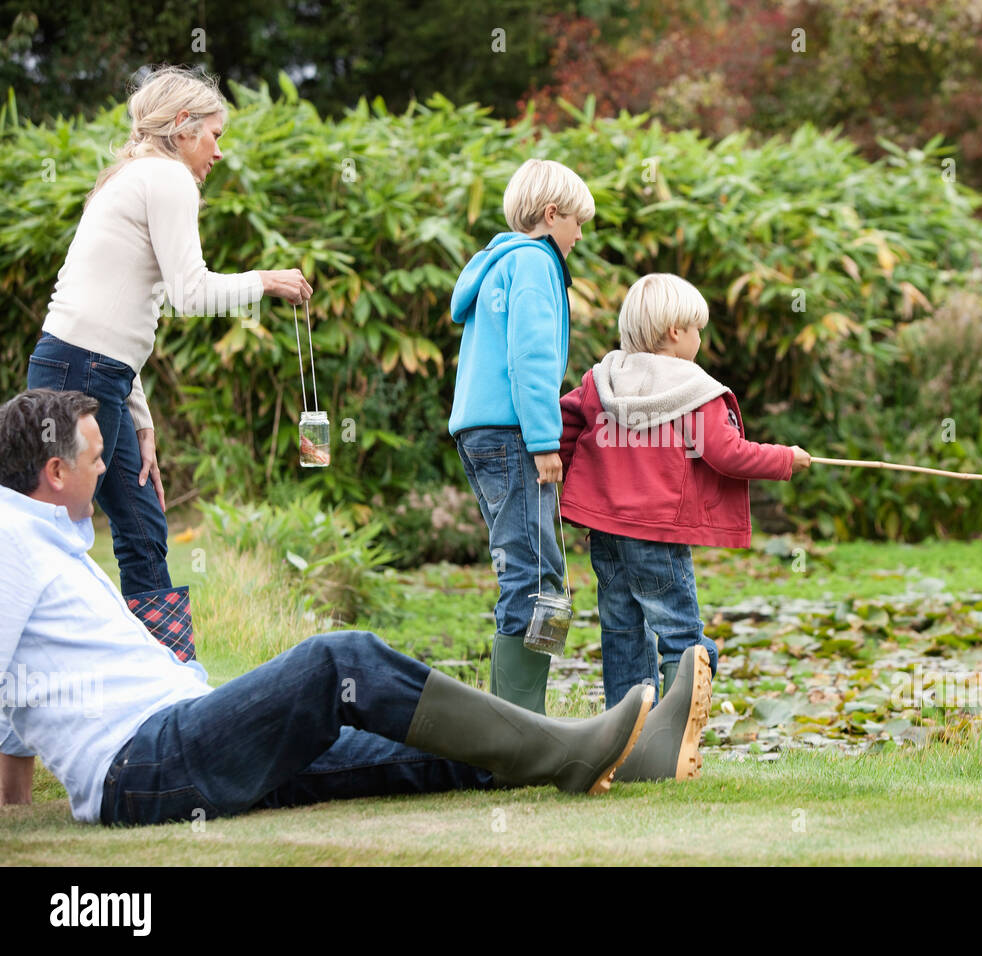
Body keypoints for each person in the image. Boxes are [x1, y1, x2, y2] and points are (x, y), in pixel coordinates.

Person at [0, 388, 676, 825]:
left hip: (175, 740)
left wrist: (15, 793)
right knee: (338, 661)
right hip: (145, 762)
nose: (106, 466)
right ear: (54, 472)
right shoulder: (10, 541)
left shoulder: (45, 542)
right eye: (95, 456)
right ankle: (574, 749)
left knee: (395, 747)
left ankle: (624, 753)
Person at [25, 65, 314, 662]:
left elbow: (121, 318)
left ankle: (162, 683)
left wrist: (143, 421)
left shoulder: (134, 178)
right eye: (213, 133)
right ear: (182, 127)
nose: (219, 150)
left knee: (135, 526)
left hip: (83, 371)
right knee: (68, 533)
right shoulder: (167, 179)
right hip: (79, 373)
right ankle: (149, 685)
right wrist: (268, 281)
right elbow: (190, 293)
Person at [558, 274, 812, 719]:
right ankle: (675, 732)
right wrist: (785, 459)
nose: (700, 338)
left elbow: (564, 428)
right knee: (679, 631)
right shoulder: (691, 389)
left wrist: (560, 473)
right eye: (697, 329)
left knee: (621, 628)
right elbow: (727, 453)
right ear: (676, 332)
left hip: (605, 532)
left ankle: (624, 732)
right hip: (658, 531)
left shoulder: (603, 380)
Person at [446, 158, 593, 715]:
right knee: (535, 574)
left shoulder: (497, 263)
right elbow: (529, 359)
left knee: (529, 565)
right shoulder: (534, 263)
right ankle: (518, 726)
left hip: (482, 433)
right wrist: (543, 441)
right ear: (552, 215)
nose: (580, 235)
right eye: (578, 222)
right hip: (513, 435)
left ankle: (519, 718)